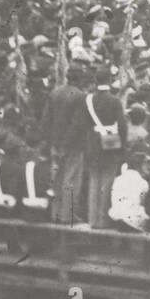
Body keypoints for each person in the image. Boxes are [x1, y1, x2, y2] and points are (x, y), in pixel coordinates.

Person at [41, 63, 87, 224]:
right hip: (72, 145)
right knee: (71, 179)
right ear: (80, 77)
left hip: (55, 142)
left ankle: (56, 213)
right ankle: (68, 215)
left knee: (56, 178)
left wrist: (52, 142)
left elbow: (46, 120)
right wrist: (66, 145)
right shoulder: (80, 96)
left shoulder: (55, 92)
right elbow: (77, 125)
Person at [83, 68, 127, 229]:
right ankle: (103, 220)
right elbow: (122, 126)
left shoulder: (89, 100)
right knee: (107, 182)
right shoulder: (115, 101)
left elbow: (85, 124)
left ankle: (92, 219)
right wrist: (121, 146)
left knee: (94, 181)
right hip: (110, 139)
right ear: (109, 80)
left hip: (93, 141)